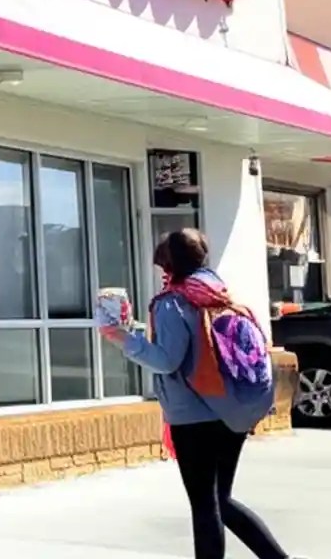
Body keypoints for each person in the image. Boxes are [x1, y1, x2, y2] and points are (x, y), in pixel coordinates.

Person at [100, 229, 300, 559]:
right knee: (221, 500)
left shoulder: (172, 303)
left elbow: (167, 361)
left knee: (205, 507)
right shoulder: (218, 293)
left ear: (168, 263)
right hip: (231, 410)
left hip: (193, 418)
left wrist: (122, 338)